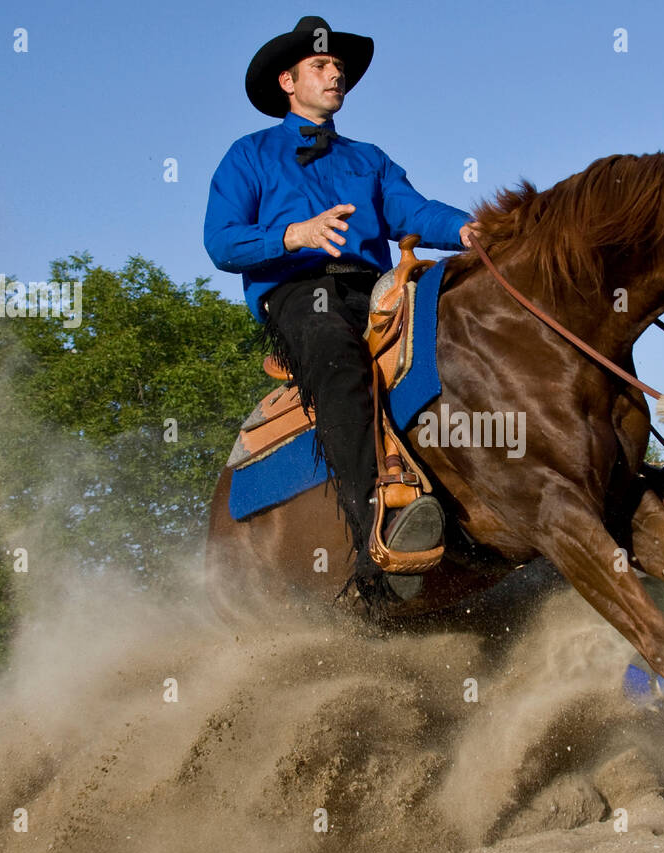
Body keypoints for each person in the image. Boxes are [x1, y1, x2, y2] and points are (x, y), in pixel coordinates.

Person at [204, 16, 476, 608]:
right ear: (287, 80)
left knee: (470, 323)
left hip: (376, 285)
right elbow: (222, 242)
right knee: (338, 354)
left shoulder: (369, 158)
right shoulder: (248, 155)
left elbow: (414, 210)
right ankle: (374, 541)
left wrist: (468, 228)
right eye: (322, 66)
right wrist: (294, 234)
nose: (336, 75)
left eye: (340, 69)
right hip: (300, 292)